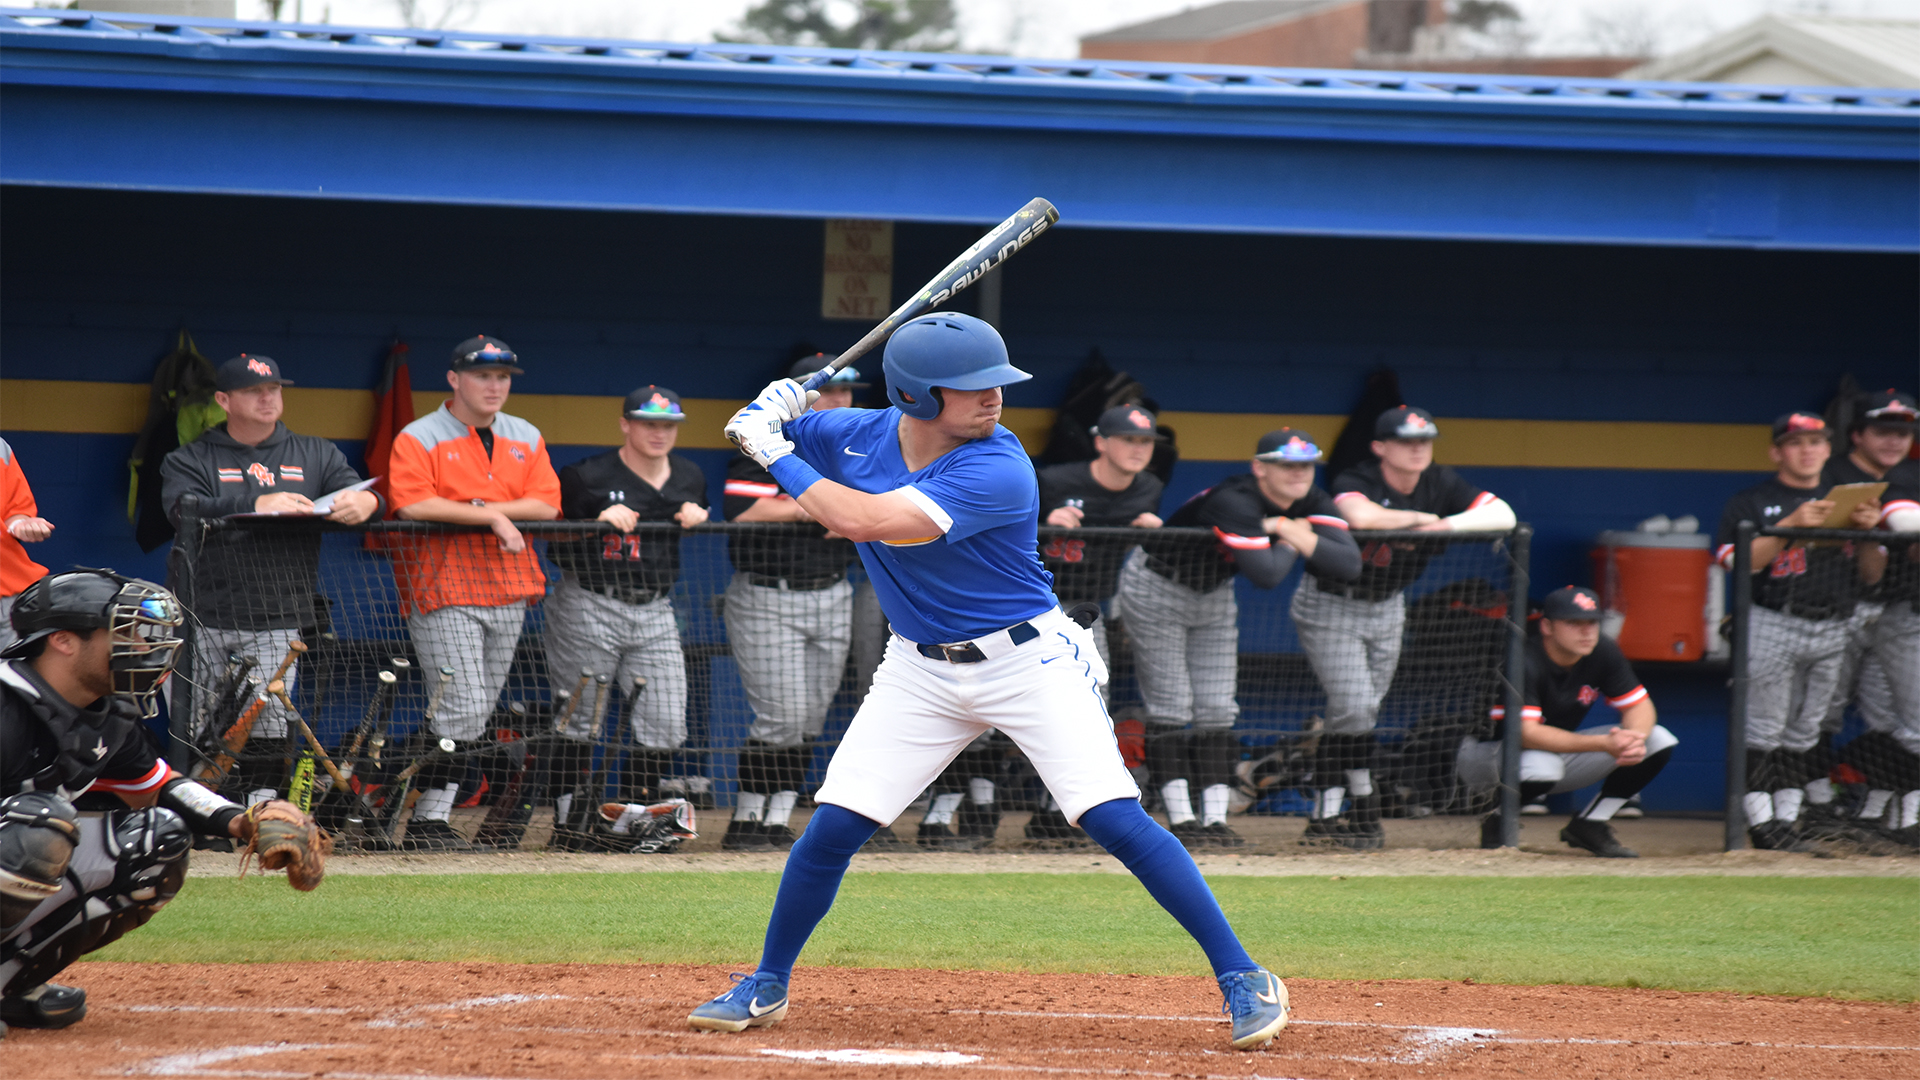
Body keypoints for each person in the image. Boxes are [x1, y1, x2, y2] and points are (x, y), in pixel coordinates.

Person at [695, 312, 1291, 1051]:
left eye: (997, 383)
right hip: (918, 667)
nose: (995, 398)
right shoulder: (851, 433)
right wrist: (773, 406)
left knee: (1110, 816)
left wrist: (771, 446)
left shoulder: (999, 465)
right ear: (914, 396)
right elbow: (768, 430)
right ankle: (768, 982)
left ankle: (1244, 975)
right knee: (834, 827)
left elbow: (864, 519)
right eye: (972, 386)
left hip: (1028, 661)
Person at [0, 570, 325, 1036]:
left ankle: (8, 985)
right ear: (63, 641)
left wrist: (238, 821)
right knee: (39, 828)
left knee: (158, 840)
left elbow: (159, 786)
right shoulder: (7, 703)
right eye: (124, 635)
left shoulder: (103, 711)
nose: (143, 649)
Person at [1116, 428, 1361, 850]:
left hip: (1213, 592)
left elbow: (1350, 564)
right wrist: (1290, 534)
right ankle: (1182, 819)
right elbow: (1267, 575)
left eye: (1305, 465)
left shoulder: (1312, 499)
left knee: (1217, 706)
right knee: (1171, 702)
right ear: (1260, 468)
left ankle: (1214, 819)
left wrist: (1287, 529)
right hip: (1159, 584)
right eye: (1286, 464)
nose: (1299, 473)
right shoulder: (1235, 499)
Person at [159, 354, 380, 803]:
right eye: (253, 391)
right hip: (203, 613)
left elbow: (355, 490)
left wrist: (368, 504)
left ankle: (260, 818)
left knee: (267, 725)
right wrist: (256, 502)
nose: (267, 398)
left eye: (273, 389)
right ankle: (201, 818)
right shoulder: (192, 456)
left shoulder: (315, 452)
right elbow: (181, 508)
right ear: (224, 400)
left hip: (277, 613)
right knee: (201, 727)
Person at [1298, 406, 1515, 846]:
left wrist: (1445, 523)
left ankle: (1324, 814)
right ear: (1380, 447)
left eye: (1424, 441)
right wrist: (1423, 520)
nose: (1418, 449)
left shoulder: (1441, 482)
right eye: (1406, 441)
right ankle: (1363, 804)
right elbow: (1359, 516)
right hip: (1332, 602)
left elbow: (1503, 515)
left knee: (1356, 713)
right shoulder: (1358, 476)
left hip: (1388, 606)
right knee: (1357, 707)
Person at [387, 336, 561, 851]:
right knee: (461, 706)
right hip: (444, 589)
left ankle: (413, 809)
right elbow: (413, 503)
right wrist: (494, 515)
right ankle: (425, 820)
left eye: (502, 377)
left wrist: (480, 508)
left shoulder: (524, 433)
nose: (494, 386)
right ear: (454, 379)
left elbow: (547, 504)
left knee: (477, 710)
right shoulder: (419, 435)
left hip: (509, 587)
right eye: (483, 375)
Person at [545, 385, 708, 844]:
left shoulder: (689, 476)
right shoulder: (586, 475)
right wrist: (595, 522)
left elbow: (691, 516)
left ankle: (633, 816)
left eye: (668, 425)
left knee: (667, 723)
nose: (659, 433)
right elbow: (551, 538)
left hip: (655, 607)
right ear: (625, 425)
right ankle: (569, 822)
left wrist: (697, 516)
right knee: (578, 720)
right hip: (590, 599)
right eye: (648, 423)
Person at [1717, 411, 1885, 852]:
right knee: (1763, 728)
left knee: (1805, 732)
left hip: (1834, 624)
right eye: (1795, 443)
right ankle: (1761, 823)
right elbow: (1736, 563)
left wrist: (1869, 533)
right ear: (1777, 452)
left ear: (1828, 449)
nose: (1807, 450)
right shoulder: (1753, 501)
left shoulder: (1846, 498)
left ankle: (1788, 821)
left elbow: (1872, 576)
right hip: (1774, 618)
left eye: (1815, 442)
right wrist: (1792, 524)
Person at [720, 357, 866, 852]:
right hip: (768, 593)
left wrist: (847, 514)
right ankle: (746, 819)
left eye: (848, 391)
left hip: (832, 592)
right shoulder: (765, 439)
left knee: (810, 718)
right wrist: (819, 509)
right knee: (782, 716)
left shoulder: (851, 451)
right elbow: (743, 508)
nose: (842, 399)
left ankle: (777, 818)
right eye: (832, 391)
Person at [1026, 404, 1167, 844]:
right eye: (1128, 439)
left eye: (1145, 441)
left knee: (1090, 699)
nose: (1138, 449)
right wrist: (1042, 522)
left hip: (1087, 609)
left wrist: (1149, 530)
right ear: (1101, 442)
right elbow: (1000, 527)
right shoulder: (1054, 480)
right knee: (1017, 704)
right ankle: (977, 800)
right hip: (1029, 604)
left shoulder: (1149, 488)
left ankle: (1059, 808)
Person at [1457, 586, 1676, 858]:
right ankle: (1497, 820)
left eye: (1592, 622)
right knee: (1542, 765)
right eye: (1574, 623)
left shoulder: (1602, 650)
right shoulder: (1521, 657)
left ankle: (1590, 824)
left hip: (1545, 754)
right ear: (1547, 627)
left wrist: (1634, 739)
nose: (1586, 632)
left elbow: (1639, 705)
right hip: (1484, 757)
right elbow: (1525, 734)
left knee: (1658, 739)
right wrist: (1604, 743)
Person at [1823, 390, 1920, 844]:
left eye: (1903, 432)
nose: (1894, 440)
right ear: (1858, 434)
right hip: (1831, 612)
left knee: (1896, 721)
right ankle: (1812, 803)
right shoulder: (1830, 475)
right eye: (1883, 430)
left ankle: (1888, 810)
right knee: (1817, 717)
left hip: (1895, 613)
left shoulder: (1907, 479)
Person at [0, 438, 53, 654]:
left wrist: (21, 524)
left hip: (6, 595)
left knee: (13, 671)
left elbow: (14, 510)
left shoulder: (1, 448)